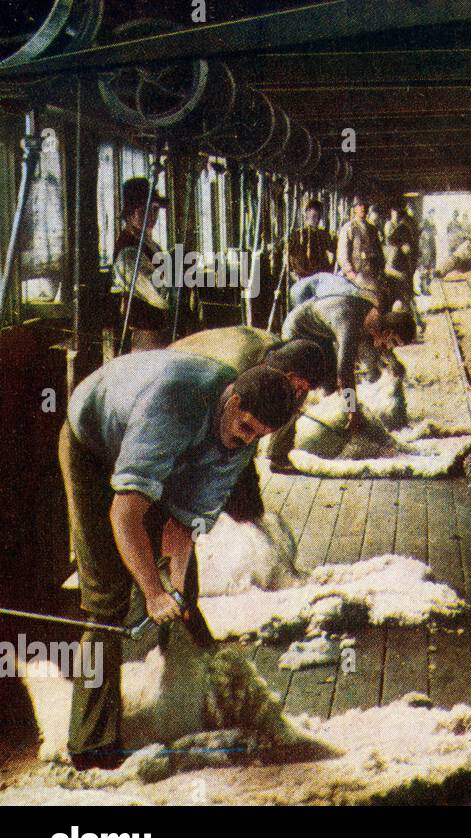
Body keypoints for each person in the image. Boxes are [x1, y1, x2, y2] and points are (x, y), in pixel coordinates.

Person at [60, 355, 298, 769]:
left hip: (163, 444)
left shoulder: (240, 441)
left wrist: (173, 585)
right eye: (245, 428)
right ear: (233, 400)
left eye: (258, 435)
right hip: (94, 445)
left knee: (182, 593)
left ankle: (181, 708)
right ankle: (90, 746)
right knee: (107, 602)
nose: (246, 441)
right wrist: (152, 592)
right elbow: (125, 515)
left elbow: (182, 525)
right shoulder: (172, 408)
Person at [171, 329, 330, 517]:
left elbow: (254, 433)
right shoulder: (239, 372)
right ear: (290, 376)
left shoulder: (281, 362)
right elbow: (227, 442)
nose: (298, 394)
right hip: (178, 379)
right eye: (299, 387)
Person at [269, 292, 417, 471]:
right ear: (387, 332)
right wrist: (352, 410)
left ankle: (328, 436)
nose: (389, 348)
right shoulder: (351, 323)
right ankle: (277, 455)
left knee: (332, 388)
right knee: (299, 389)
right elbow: (344, 371)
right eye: (392, 342)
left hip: (321, 335)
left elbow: (369, 349)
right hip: (298, 329)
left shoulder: (374, 319)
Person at [113, 177, 171, 350]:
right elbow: (159, 293)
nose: (151, 216)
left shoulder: (149, 244)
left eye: (154, 209)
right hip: (143, 334)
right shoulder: (128, 252)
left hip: (159, 329)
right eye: (143, 210)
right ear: (129, 214)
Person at [335, 194, 384, 306]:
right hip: (355, 275)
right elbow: (342, 254)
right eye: (359, 205)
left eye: (365, 206)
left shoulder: (372, 229)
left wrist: (381, 269)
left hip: (371, 274)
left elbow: (379, 253)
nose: (363, 208)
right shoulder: (349, 227)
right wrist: (350, 272)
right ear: (354, 209)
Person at [288, 198, 335, 282]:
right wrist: (295, 275)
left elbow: (332, 253)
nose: (316, 220)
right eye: (313, 216)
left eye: (318, 217)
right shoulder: (297, 235)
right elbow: (290, 258)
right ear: (306, 215)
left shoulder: (324, 235)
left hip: (320, 276)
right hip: (301, 277)